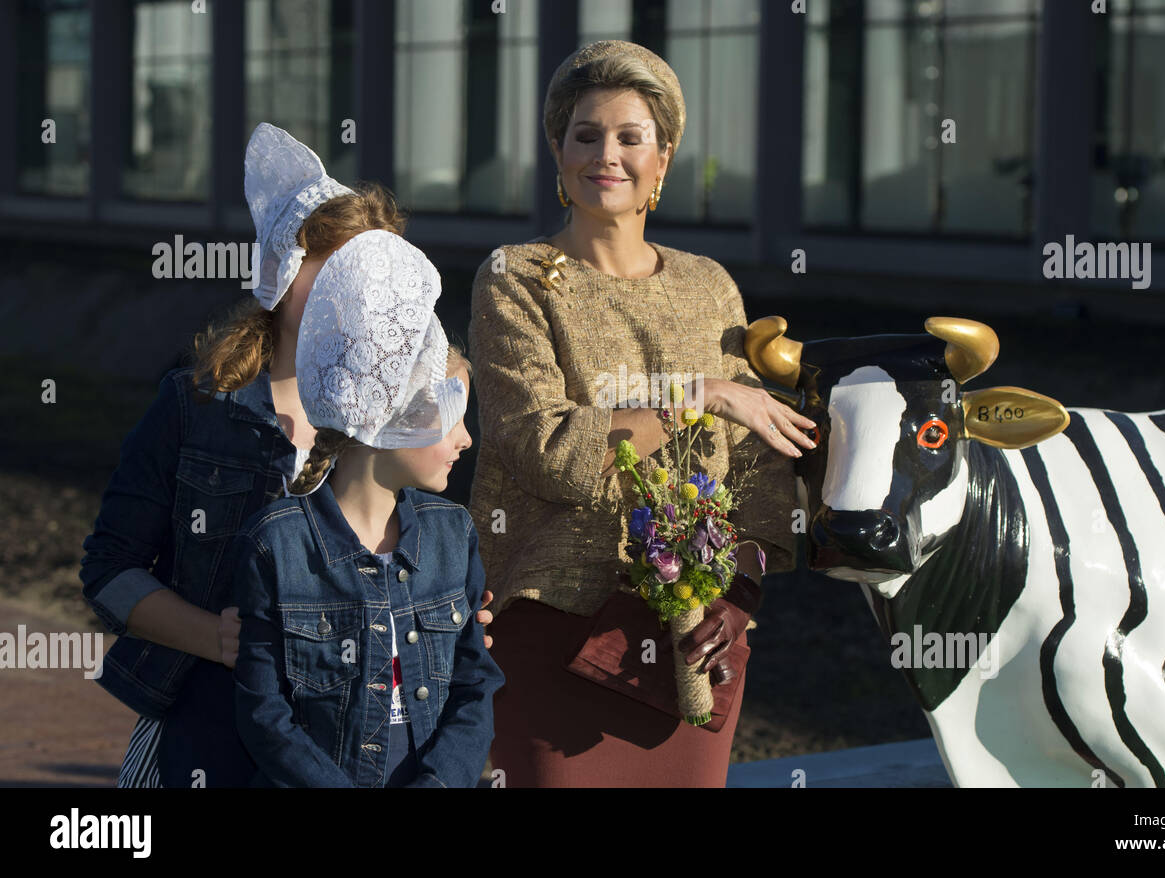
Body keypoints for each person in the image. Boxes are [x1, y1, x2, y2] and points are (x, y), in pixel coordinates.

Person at [79, 123, 490, 788]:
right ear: (285, 270)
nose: (360, 290)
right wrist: (216, 636)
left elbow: (420, 562)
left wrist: (439, 622)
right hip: (211, 726)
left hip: (362, 746)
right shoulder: (197, 408)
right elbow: (109, 572)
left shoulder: (407, 406)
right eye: (337, 267)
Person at [468, 40, 817, 787]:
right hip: (546, 629)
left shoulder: (710, 284)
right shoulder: (515, 278)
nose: (607, 155)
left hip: (693, 638)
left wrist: (741, 594)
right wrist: (704, 397)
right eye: (585, 135)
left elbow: (757, 468)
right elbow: (550, 452)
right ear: (557, 151)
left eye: (632, 137)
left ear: (663, 158)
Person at [231, 229, 503, 787]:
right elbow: (265, 714)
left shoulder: (454, 536)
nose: (466, 440)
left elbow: (474, 689)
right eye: (450, 417)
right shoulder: (278, 545)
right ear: (389, 417)